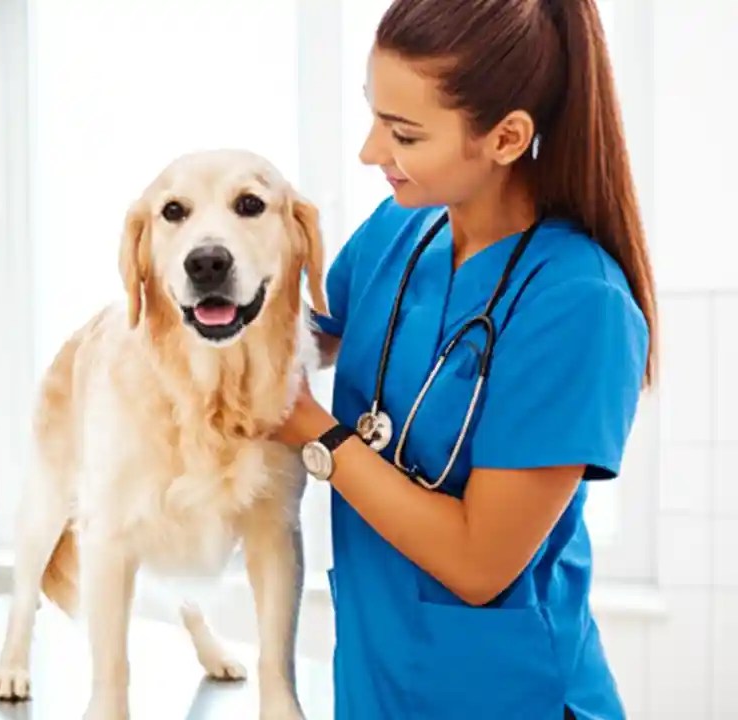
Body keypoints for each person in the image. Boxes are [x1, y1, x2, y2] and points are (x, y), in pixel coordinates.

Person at [272, 0, 656, 718]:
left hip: (507, 697)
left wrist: (314, 432)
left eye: (404, 134)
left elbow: (480, 563)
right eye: (373, 115)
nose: (370, 152)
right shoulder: (401, 227)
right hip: (377, 684)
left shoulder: (579, 303)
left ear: (507, 137)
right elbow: (300, 336)